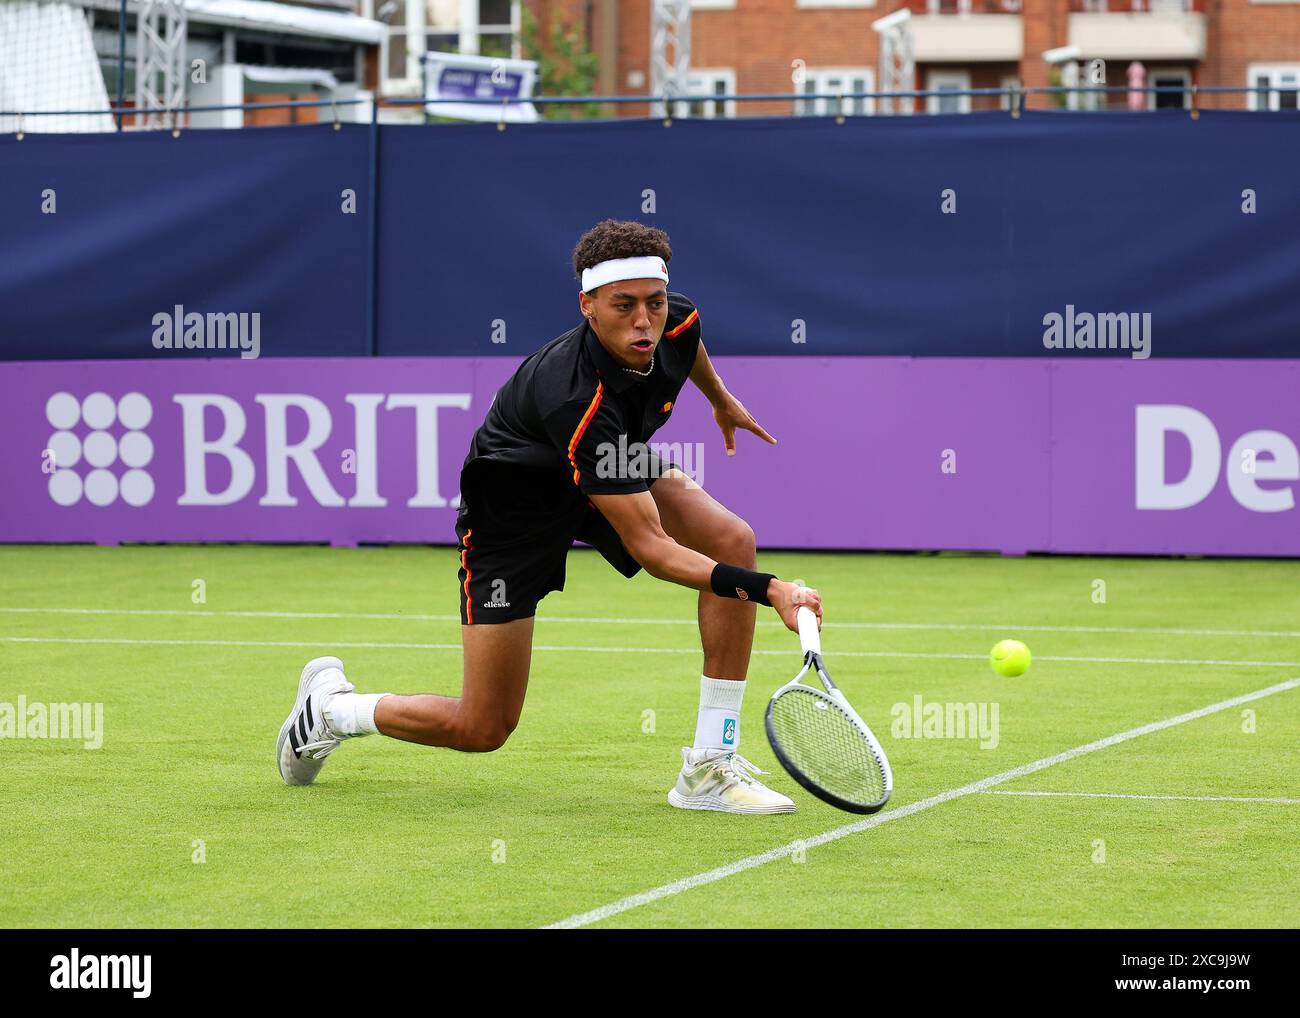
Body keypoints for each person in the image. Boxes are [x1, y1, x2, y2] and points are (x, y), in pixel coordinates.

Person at [278, 219, 821, 813]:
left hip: (609, 462)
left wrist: (719, 398)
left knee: (730, 536)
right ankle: (332, 710)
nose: (644, 321)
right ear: (587, 305)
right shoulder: (574, 396)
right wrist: (768, 590)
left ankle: (708, 765)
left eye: (654, 303)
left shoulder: (677, 320)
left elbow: (686, 343)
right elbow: (655, 553)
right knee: (482, 726)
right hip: (516, 510)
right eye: (623, 306)